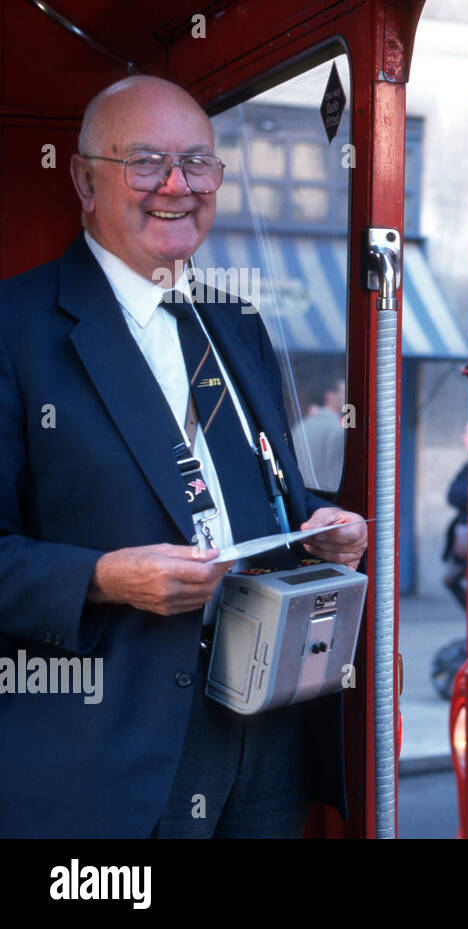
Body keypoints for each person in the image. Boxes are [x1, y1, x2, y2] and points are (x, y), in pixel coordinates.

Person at [0, 75, 368, 838]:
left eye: (198, 163)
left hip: (266, 719)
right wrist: (104, 578)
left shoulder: (235, 323)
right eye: (146, 161)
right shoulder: (15, 327)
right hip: (111, 743)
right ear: (84, 179)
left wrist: (314, 527)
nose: (177, 185)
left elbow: (250, 490)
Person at [291, 369, 347, 493]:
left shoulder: (299, 428)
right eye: (343, 392)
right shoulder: (337, 432)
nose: (347, 397)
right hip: (331, 500)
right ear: (329, 396)